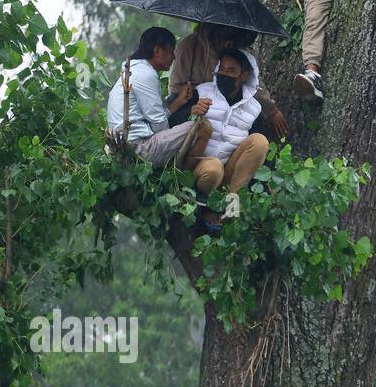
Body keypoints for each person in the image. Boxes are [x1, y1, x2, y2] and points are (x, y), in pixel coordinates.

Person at [190, 48, 270, 233]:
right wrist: (192, 111)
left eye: (231, 71)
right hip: (200, 169)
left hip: (228, 173)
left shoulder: (254, 108)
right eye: (222, 69)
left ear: (244, 76)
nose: (225, 74)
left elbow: (256, 154)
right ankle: (205, 208)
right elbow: (176, 122)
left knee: (259, 141)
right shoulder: (201, 92)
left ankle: (231, 205)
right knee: (213, 169)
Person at [106, 27, 206, 168]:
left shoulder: (134, 70)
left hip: (125, 145)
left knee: (173, 106)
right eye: (171, 51)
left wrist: (178, 102)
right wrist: (184, 114)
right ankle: (185, 174)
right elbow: (160, 125)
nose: (174, 57)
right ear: (157, 51)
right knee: (199, 127)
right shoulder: (146, 74)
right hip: (137, 150)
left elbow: (154, 116)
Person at [168, 22, 288, 138]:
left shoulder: (237, 49)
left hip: (228, 103)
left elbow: (253, 81)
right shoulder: (189, 47)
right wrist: (194, 97)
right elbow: (176, 90)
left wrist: (271, 111)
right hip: (193, 103)